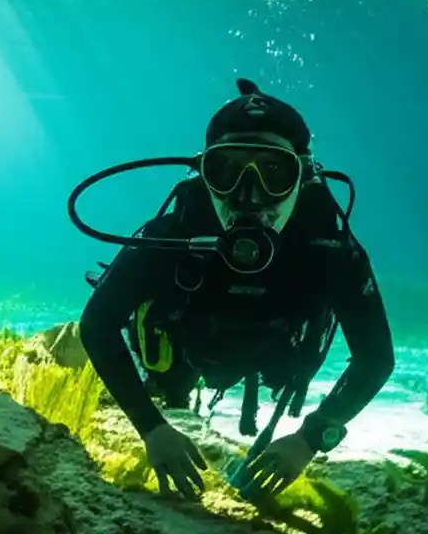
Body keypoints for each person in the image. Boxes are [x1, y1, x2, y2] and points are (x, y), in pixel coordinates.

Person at [70, 78, 396, 501]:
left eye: (274, 173)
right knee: (170, 385)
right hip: (188, 347)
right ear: (204, 174)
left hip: (279, 356)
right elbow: (97, 326)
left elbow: (376, 359)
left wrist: (309, 439)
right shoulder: (172, 236)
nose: (249, 194)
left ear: (303, 178)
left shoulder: (331, 252)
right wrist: (152, 428)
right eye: (226, 171)